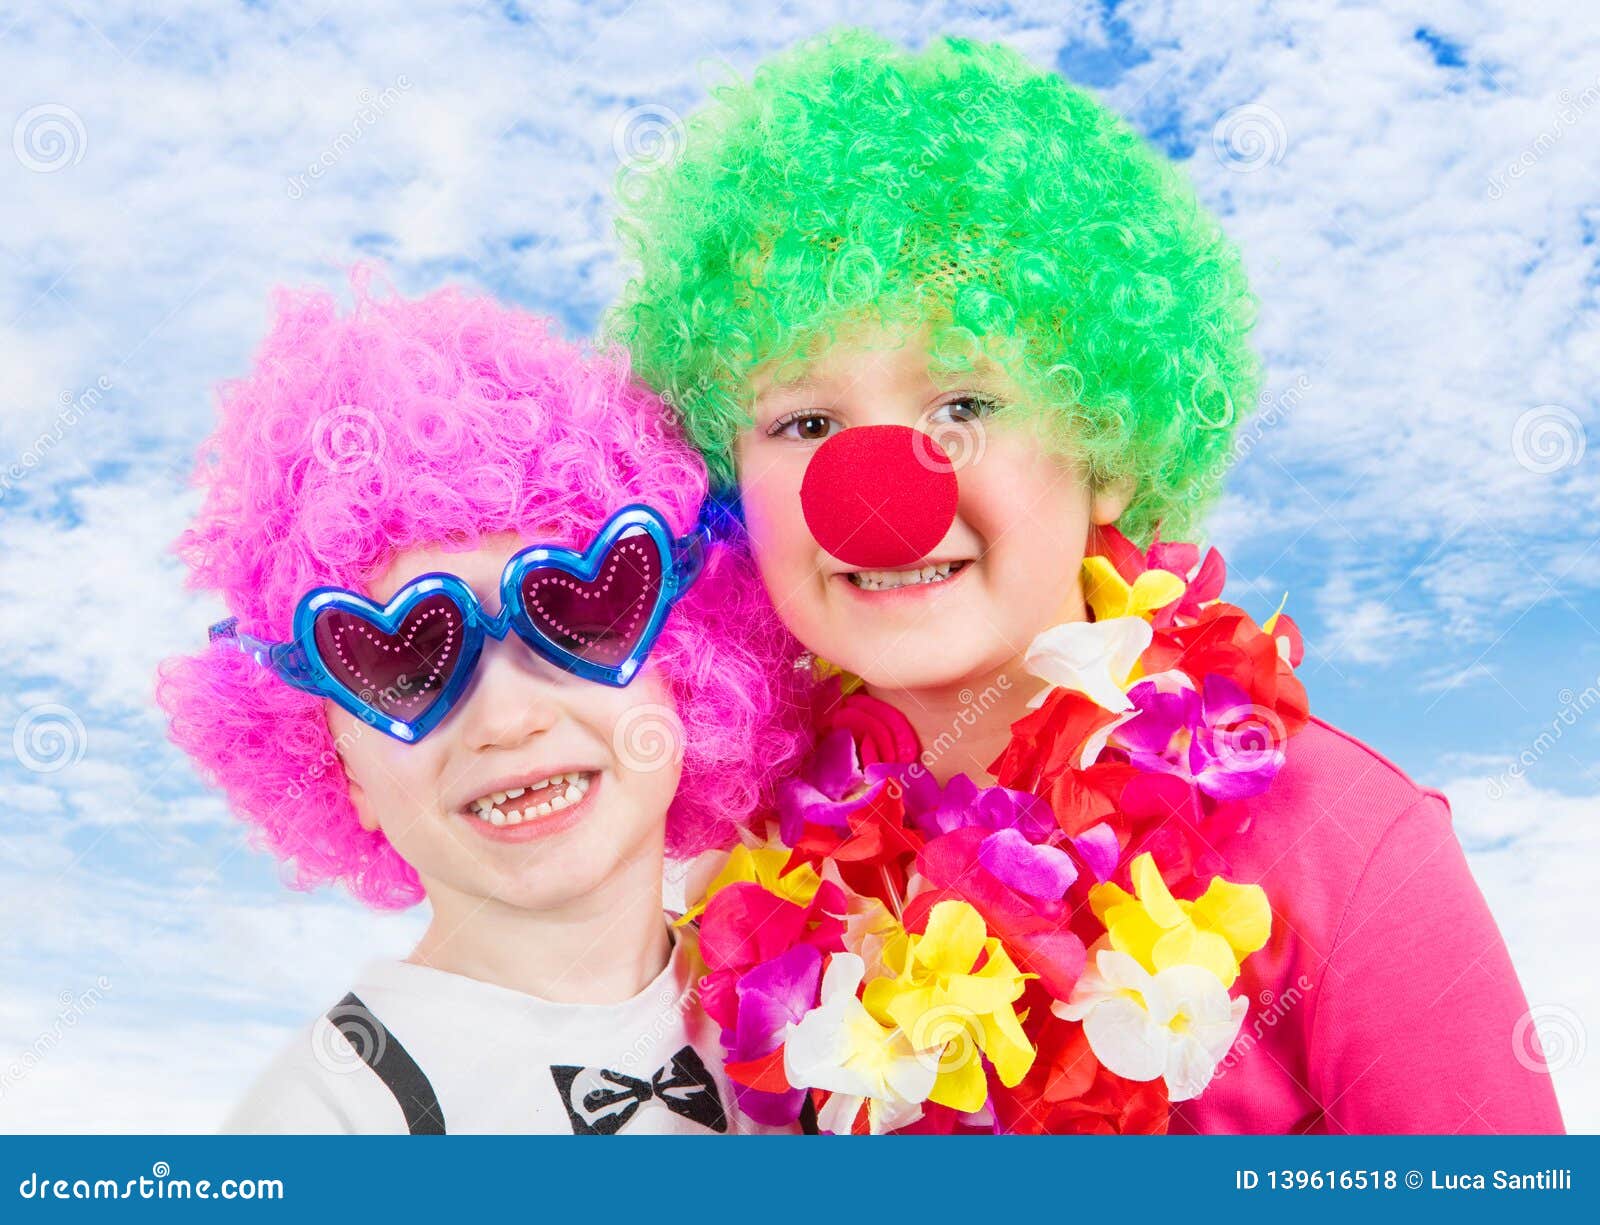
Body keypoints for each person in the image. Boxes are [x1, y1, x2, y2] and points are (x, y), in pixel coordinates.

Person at [605, 28, 1564, 1133]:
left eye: (963, 404)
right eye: (804, 421)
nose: (874, 493)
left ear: (1106, 450)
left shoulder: (1336, 839)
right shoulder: (725, 871)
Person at [157, 270, 809, 1133]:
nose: (508, 718)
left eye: (578, 609)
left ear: (686, 662)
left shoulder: (811, 994)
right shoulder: (329, 1119)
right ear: (333, 762)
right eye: (405, 662)